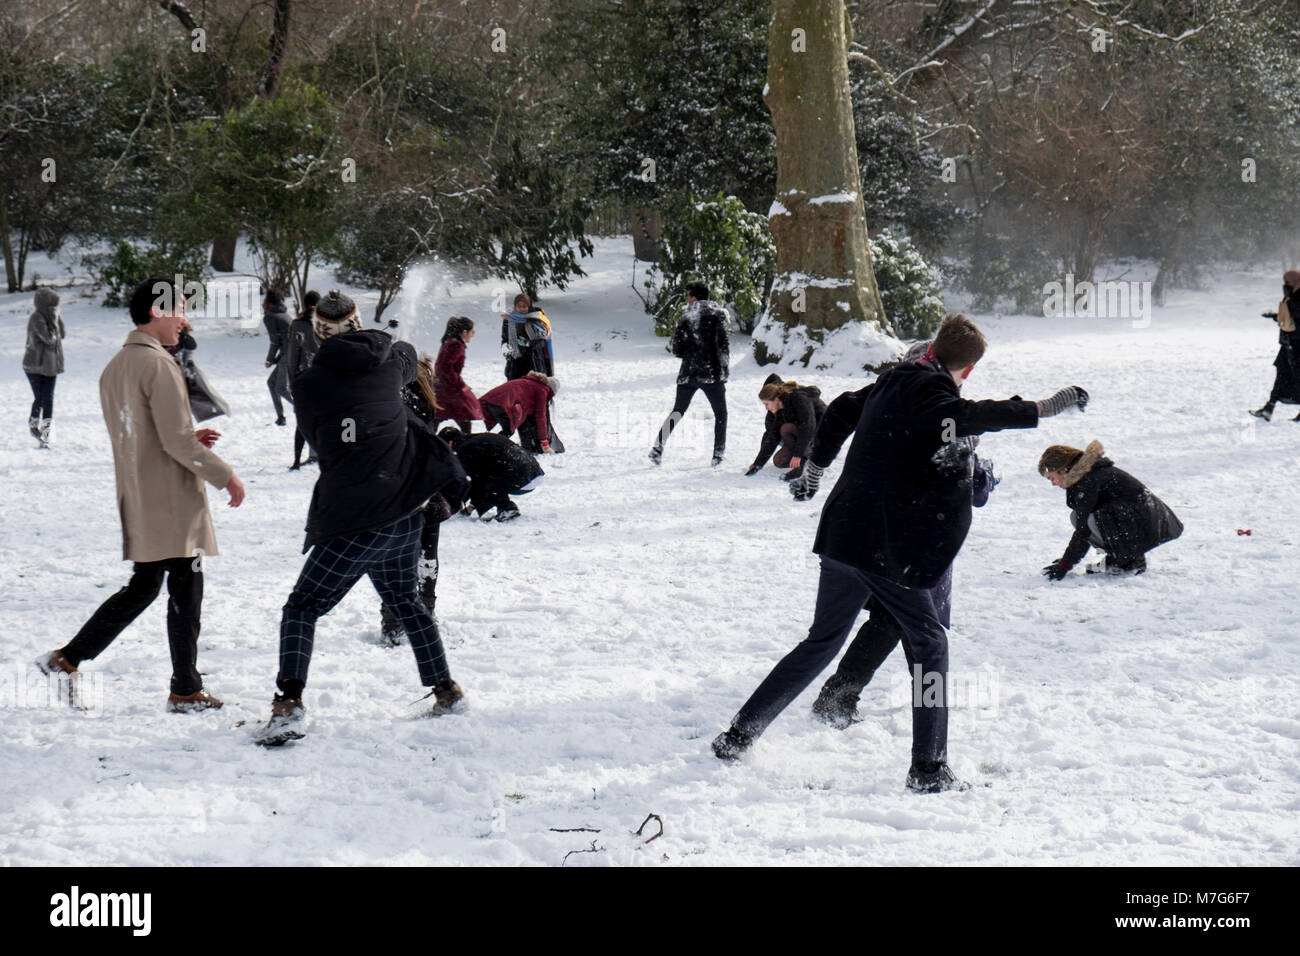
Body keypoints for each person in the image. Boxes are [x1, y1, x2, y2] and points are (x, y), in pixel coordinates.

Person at [711, 314, 1088, 793]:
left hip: (844, 535)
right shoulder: (935, 395)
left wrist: (815, 469)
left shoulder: (891, 381)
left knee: (821, 642)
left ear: (932, 347)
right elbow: (971, 416)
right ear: (967, 369)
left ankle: (739, 734)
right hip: (886, 549)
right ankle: (928, 769)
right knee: (930, 644)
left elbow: (843, 410)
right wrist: (1044, 407)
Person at [257, 290, 468, 746]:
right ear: (357, 325)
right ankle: (446, 690)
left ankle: (288, 704)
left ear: (317, 333)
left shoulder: (309, 385)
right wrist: (390, 345)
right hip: (405, 512)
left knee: (302, 608)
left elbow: (320, 441)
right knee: (408, 603)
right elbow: (409, 354)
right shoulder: (391, 363)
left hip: (355, 520)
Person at [36, 276, 246, 712]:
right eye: (180, 310)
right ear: (156, 311)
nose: (185, 322)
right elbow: (174, 442)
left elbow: (146, 434)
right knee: (184, 588)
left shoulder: (117, 364)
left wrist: (188, 436)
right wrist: (226, 476)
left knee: (146, 586)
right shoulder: (158, 364)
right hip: (170, 498)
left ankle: (67, 659)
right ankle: (185, 689)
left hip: (139, 492)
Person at [799, 341, 1000, 729]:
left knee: (902, 630)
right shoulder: (941, 416)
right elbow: (973, 491)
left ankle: (845, 697)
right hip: (916, 551)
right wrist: (979, 464)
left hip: (873, 542)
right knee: (913, 634)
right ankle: (849, 700)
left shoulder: (888, 407)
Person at [376, 356, 452, 646]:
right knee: (428, 555)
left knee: (394, 558)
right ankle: (426, 617)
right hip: (427, 487)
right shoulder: (425, 401)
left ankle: (393, 623)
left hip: (394, 491)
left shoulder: (387, 399)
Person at [1039, 441, 1183, 579]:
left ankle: (1128, 560)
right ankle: (1122, 557)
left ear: (1063, 469)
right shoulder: (1084, 476)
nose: (1053, 484)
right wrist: (1067, 561)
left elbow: (1083, 529)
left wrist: (1065, 564)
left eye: (1052, 478)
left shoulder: (1088, 479)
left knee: (1093, 517)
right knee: (1079, 516)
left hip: (1151, 524)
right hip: (1145, 522)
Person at [648, 280, 730, 467]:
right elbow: (723, 347)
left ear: (693, 297)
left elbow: (677, 349)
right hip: (712, 373)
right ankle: (718, 454)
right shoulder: (717, 316)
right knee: (720, 414)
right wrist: (724, 371)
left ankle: (658, 448)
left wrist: (691, 354)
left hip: (688, 373)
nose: (687, 299)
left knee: (678, 411)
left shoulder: (685, 318)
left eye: (688, 295)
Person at [439, 425, 546, 522]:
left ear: (450, 442)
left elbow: (469, 481)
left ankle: (507, 508)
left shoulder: (466, 449)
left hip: (521, 478)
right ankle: (488, 508)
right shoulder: (477, 439)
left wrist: (455, 503)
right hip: (533, 473)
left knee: (479, 478)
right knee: (485, 473)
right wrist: (470, 507)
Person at [744, 373, 827, 480]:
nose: (766, 408)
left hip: (823, 432)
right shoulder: (781, 410)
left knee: (786, 428)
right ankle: (805, 459)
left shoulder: (799, 398)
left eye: (766, 404)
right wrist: (757, 464)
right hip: (806, 436)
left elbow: (808, 426)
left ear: (776, 399)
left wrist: (798, 455)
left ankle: (806, 464)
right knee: (779, 461)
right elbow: (772, 437)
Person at [1249, 269, 1300, 421]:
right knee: (1282, 374)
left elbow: (1296, 314)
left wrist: (1289, 302)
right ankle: (1269, 408)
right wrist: (1275, 316)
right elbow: (1289, 316)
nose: (1286, 284)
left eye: (1288, 282)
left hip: (1298, 343)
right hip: (1288, 343)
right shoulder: (1292, 295)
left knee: (1298, 376)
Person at [23, 287, 65, 448]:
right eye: (52, 306)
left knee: (49, 399)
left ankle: (46, 434)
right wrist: (54, 320)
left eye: (56, 306)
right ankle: (34, 424)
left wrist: (58, 318)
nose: (54, 309)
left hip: (51, 366)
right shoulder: (36, 318)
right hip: (34, 366)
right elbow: (49, 338)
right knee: (41, 397)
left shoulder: (52, 317)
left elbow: (62, 333)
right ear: (44, 305)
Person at [478, 371, 560, 455]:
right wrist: (544, 443)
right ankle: (489, 447)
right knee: (508, 431)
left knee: (508, 429)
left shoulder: (529, 382)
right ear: (551, 390)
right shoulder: (542, 389)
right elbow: (541, 416)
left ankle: (485, 445)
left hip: (490, 400)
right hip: (502, 404)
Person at [165, 318, 230, 422]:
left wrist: (188, 365)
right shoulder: (163, 339)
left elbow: (189, 353)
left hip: (181, 373)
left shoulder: (185, 339)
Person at [285, 290, 321, 469]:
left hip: (302, 377)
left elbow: (293, 354)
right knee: (322, 418)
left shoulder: (298, 324)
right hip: (322, 377)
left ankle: (297, 460)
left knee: (302, 421)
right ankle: (318, 453)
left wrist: (291, 379)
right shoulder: (323, 324)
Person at [433, 316, 483, 432]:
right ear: (464, 332)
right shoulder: (456, 345)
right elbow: (445, 367)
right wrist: (460, 384)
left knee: (438, 417)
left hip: (442, 388)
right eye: (472, 332)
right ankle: (465, 443)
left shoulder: (450, 342)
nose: (473, 335)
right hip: (448, 390)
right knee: (464, 415)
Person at [500, 293, 553, 380]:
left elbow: (542, 341)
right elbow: (505, 338)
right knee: (515, 389)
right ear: (515, 306)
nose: (521, 309)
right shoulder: (509, 320)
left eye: (524, 306)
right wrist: (505, 346)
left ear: (529, 306)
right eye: (519, 306)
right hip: (515, 362)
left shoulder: (536, 319)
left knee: (533, 389)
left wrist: (527, 343)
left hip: (534, 362)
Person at [262, 287, 293, 426]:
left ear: (268, 302)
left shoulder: (270, 316)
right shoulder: (284, 314)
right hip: (291, 353)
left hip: (289, 355)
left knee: (281, 388)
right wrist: (275, 360)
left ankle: (303, 407)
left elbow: (275, 341)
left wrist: (269, 359)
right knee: (272, 383)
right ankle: (280, 417)